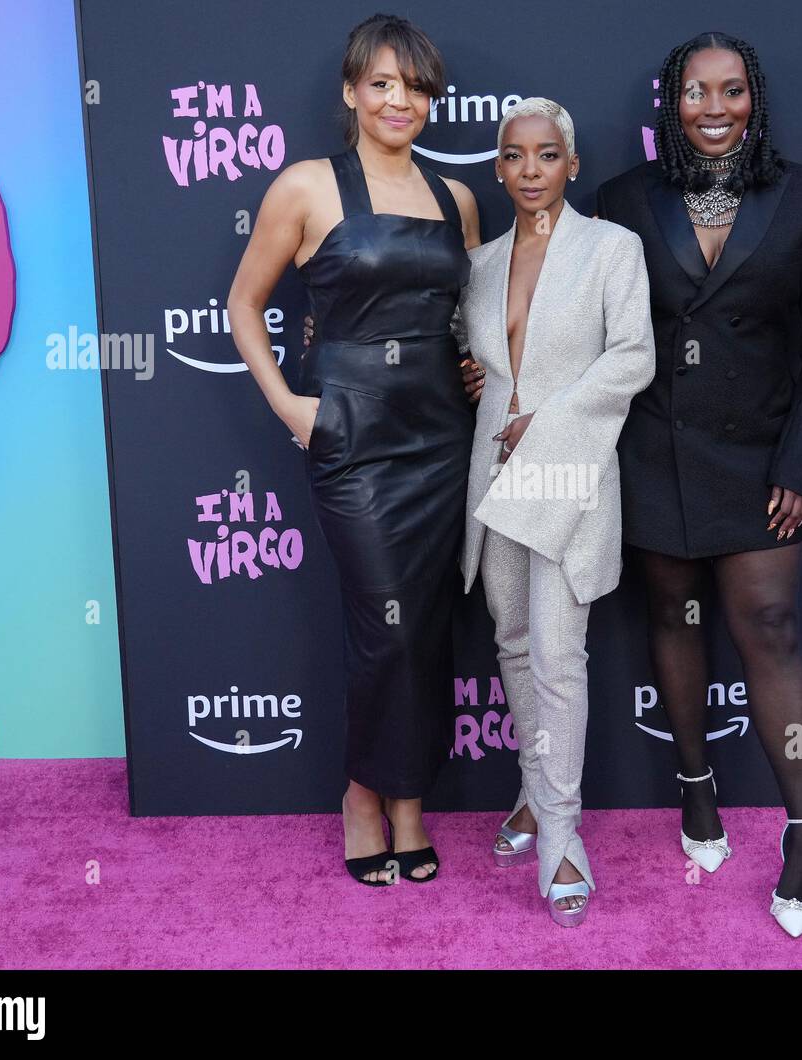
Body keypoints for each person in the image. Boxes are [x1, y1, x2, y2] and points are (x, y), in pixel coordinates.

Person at [595, 31, 802, 937]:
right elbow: (581, 324)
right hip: (655, 458)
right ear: (671, 104)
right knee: (673, 617)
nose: (714, 108)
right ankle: (696, 792)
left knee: (772, 631)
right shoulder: (624, 200)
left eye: (732, 91)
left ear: (756, 99)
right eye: (696, 92)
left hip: (763, 465)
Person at [227, 14, 481, 886]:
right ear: (350, 91)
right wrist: (291, 407)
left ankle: (408, 799)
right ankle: (362, 797)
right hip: (354, 438)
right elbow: (242, 306)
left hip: (443, 437)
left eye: (412, 87)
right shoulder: (305, 187)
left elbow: (474, 318)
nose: (398, 100)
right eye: (380, 83)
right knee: (386, 627)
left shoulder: (458, 199)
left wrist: (488, 375)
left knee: (429, 625)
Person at [457, 98, 655, 926]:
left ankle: (562, 835)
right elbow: (484, 362)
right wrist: (483, 379)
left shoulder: (613, 248)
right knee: (510, 636)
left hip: (566, 469)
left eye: (546, 155)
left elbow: (634, 355)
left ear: (571, 164)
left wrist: (550, 416)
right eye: (513, 156)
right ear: (499, 168)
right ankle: (535, 793)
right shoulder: (479, 262)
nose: (530, 169)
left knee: (557, 654)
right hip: (496, 474)